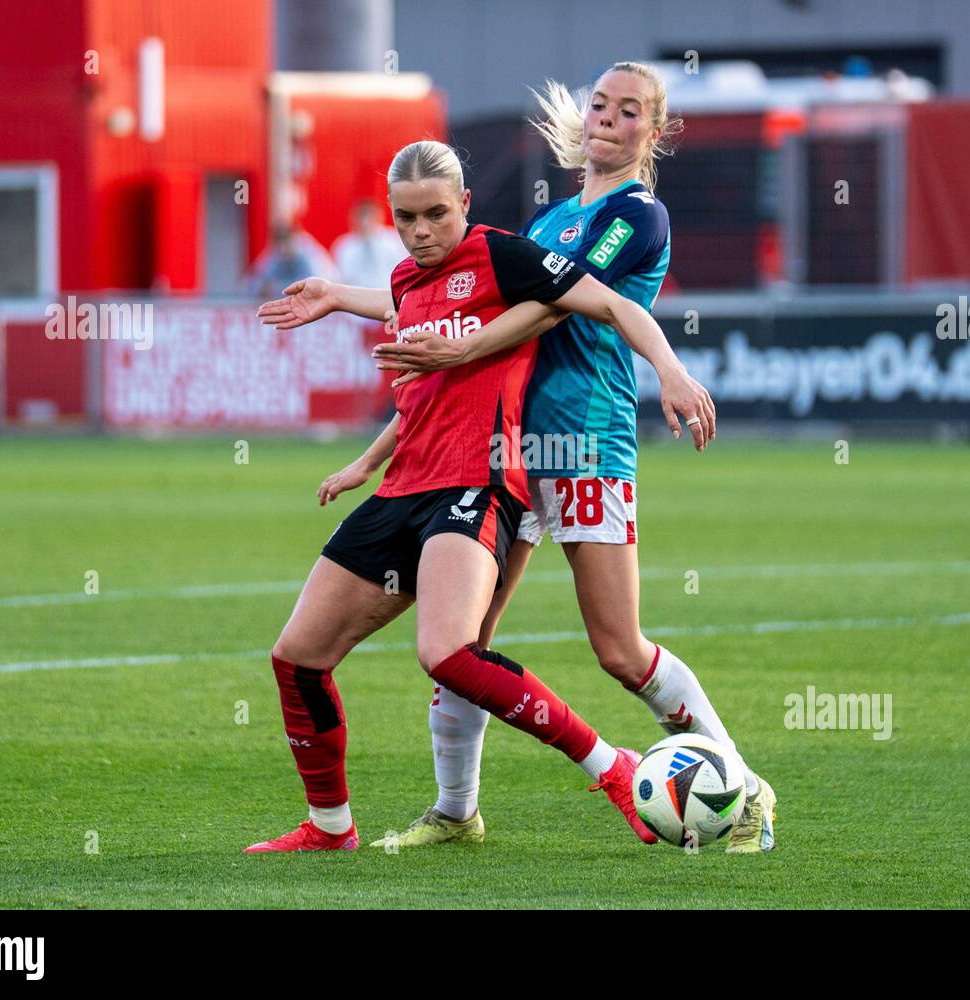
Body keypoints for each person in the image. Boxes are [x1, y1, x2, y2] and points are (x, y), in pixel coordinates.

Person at [326, 63, 777, 855]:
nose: (608, 117)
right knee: (466, 646)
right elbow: (449, 303)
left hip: (586, 440)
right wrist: (343, 297)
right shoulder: (550, 222)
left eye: (629, 110)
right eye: (601, 103)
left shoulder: (640, 214)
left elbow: (551, 307)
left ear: (654, 131)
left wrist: (667, 369)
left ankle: (740, 788)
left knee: (617, 648)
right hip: (512, 448)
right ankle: (455, 811)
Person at [246, 139, 715, 853]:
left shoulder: (506, 258)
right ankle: (331, 827)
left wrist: (670, 370)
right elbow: (419, 396)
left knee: (448, 651)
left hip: (479, 486)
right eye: (407, 218)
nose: (422, 230)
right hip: (404, 487)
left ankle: (609, 764)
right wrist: (363, 456)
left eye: (436, 213)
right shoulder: (407, 281)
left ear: (465, 204)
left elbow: (613, 305)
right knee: (296, 657)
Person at [244, 224, 336, 300]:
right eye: (280, 244)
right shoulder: (274, 255)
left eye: (286, 242)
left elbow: (309, 286)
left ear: (293, 240)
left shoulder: (306, 254)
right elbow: (253, 283)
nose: (283, 248)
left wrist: (275, 288)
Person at [331, 200, 408, 288]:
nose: (365, 224)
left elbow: (405, 270)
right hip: (356, 295)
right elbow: (339, 276)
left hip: (389, 293)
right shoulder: (344, 246)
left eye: (369, 219)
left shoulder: (394, 241)